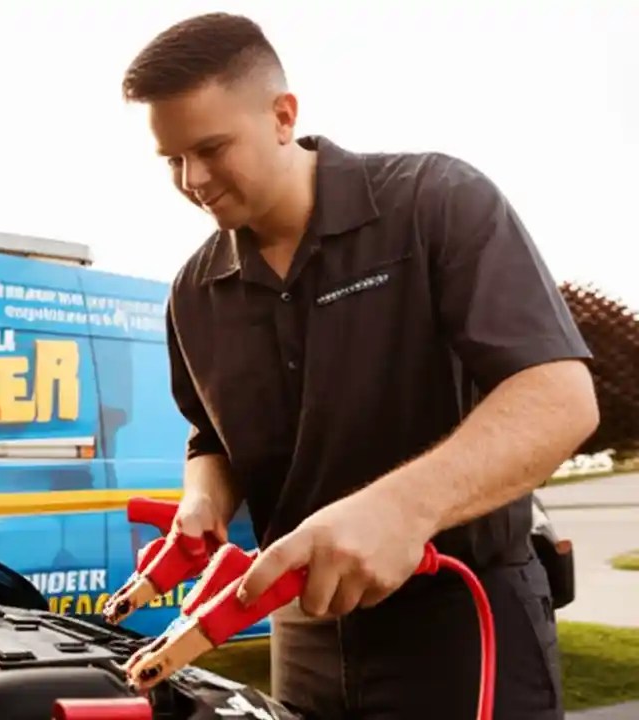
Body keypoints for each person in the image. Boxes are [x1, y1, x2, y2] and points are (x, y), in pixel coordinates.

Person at [121, 12, 598, 720]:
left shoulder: (435, 202)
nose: (193, 180)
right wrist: (204, 502)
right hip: (301, 634)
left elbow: (559, 398)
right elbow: (212, 437)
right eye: (172, 160)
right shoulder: (193, 292)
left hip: (464, 619)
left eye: (211, 148)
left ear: (283, 116)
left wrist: (402, 509)